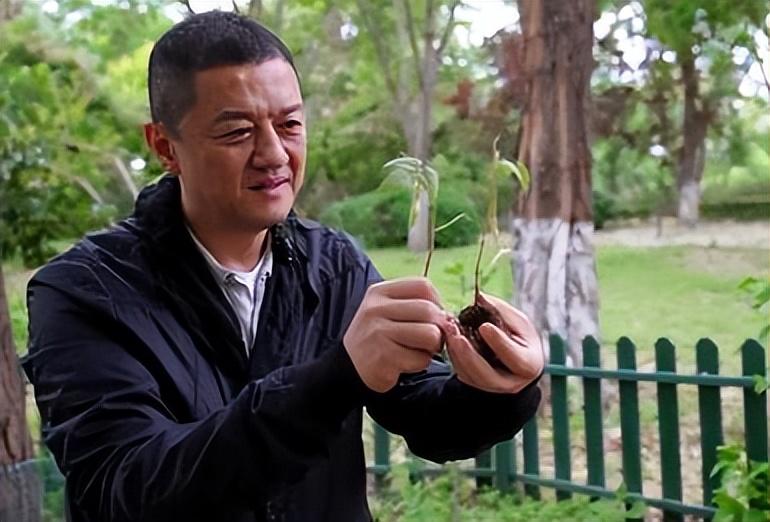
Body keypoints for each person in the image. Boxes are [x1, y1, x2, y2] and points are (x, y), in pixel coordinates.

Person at [22, 11, 543, 522]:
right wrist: (333, 380)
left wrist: (495, 386)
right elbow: (128, 489)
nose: (274, 154)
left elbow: (428, 417)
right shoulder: (83, 294)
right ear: (165, 146)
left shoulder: (333, 266)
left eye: (289, 124)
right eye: (237, 132)